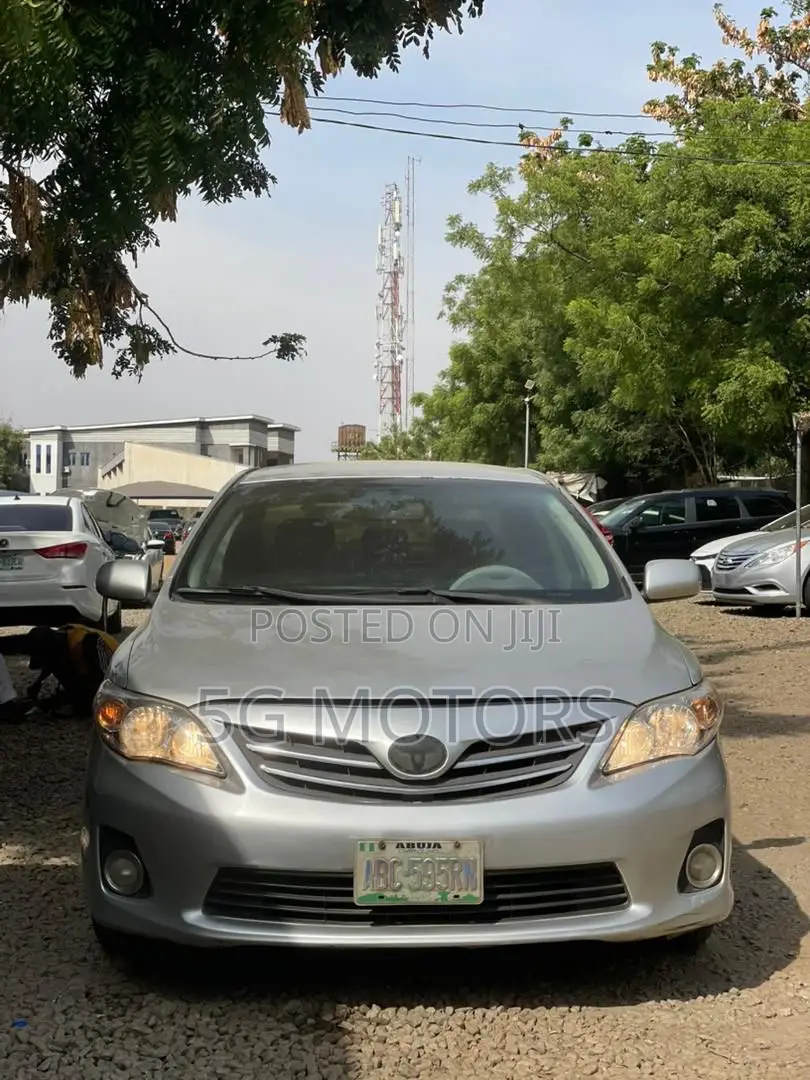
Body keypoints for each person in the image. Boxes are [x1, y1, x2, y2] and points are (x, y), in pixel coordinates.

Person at [25, 624, 119, 715]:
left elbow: (101, 683)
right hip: (93, 672)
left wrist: (58, 701)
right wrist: (38, 682)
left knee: (86, 700)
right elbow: (51, 660)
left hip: (115, 679)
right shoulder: (64, 634)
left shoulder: (89, 643)